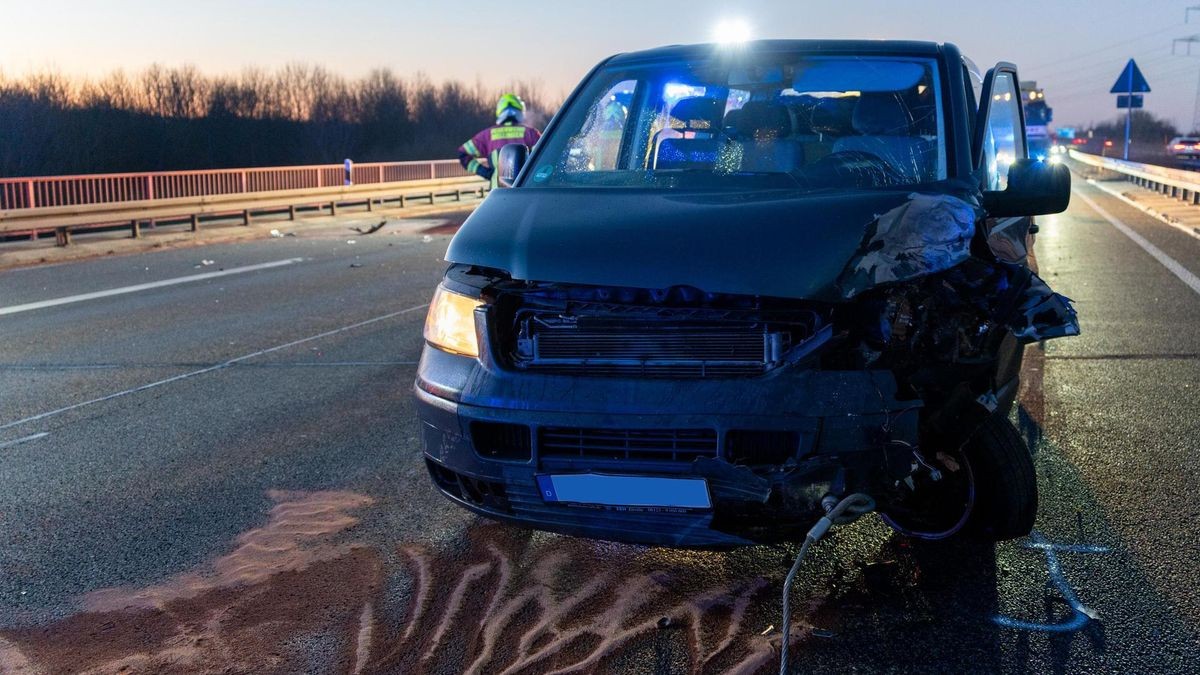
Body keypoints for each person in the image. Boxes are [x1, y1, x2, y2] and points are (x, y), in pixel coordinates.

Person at [457, 94, 542, 187]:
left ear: (500, 112)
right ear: (520, 111)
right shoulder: (531, 134)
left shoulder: (488, 135)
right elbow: (544, 159)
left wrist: (486, 172)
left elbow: (463, 153)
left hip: (497, 194)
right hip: (525, 193)